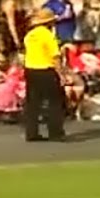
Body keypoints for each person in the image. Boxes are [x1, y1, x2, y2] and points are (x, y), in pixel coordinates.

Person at [23, 8, 66, 142]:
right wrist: (61, 74)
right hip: (46, 70)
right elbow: (55, 56)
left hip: (31, 70)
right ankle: (55, 132)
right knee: (54, 102)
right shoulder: (48, 35)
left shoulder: (30, 35)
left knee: (32, 103)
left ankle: (32, 132)